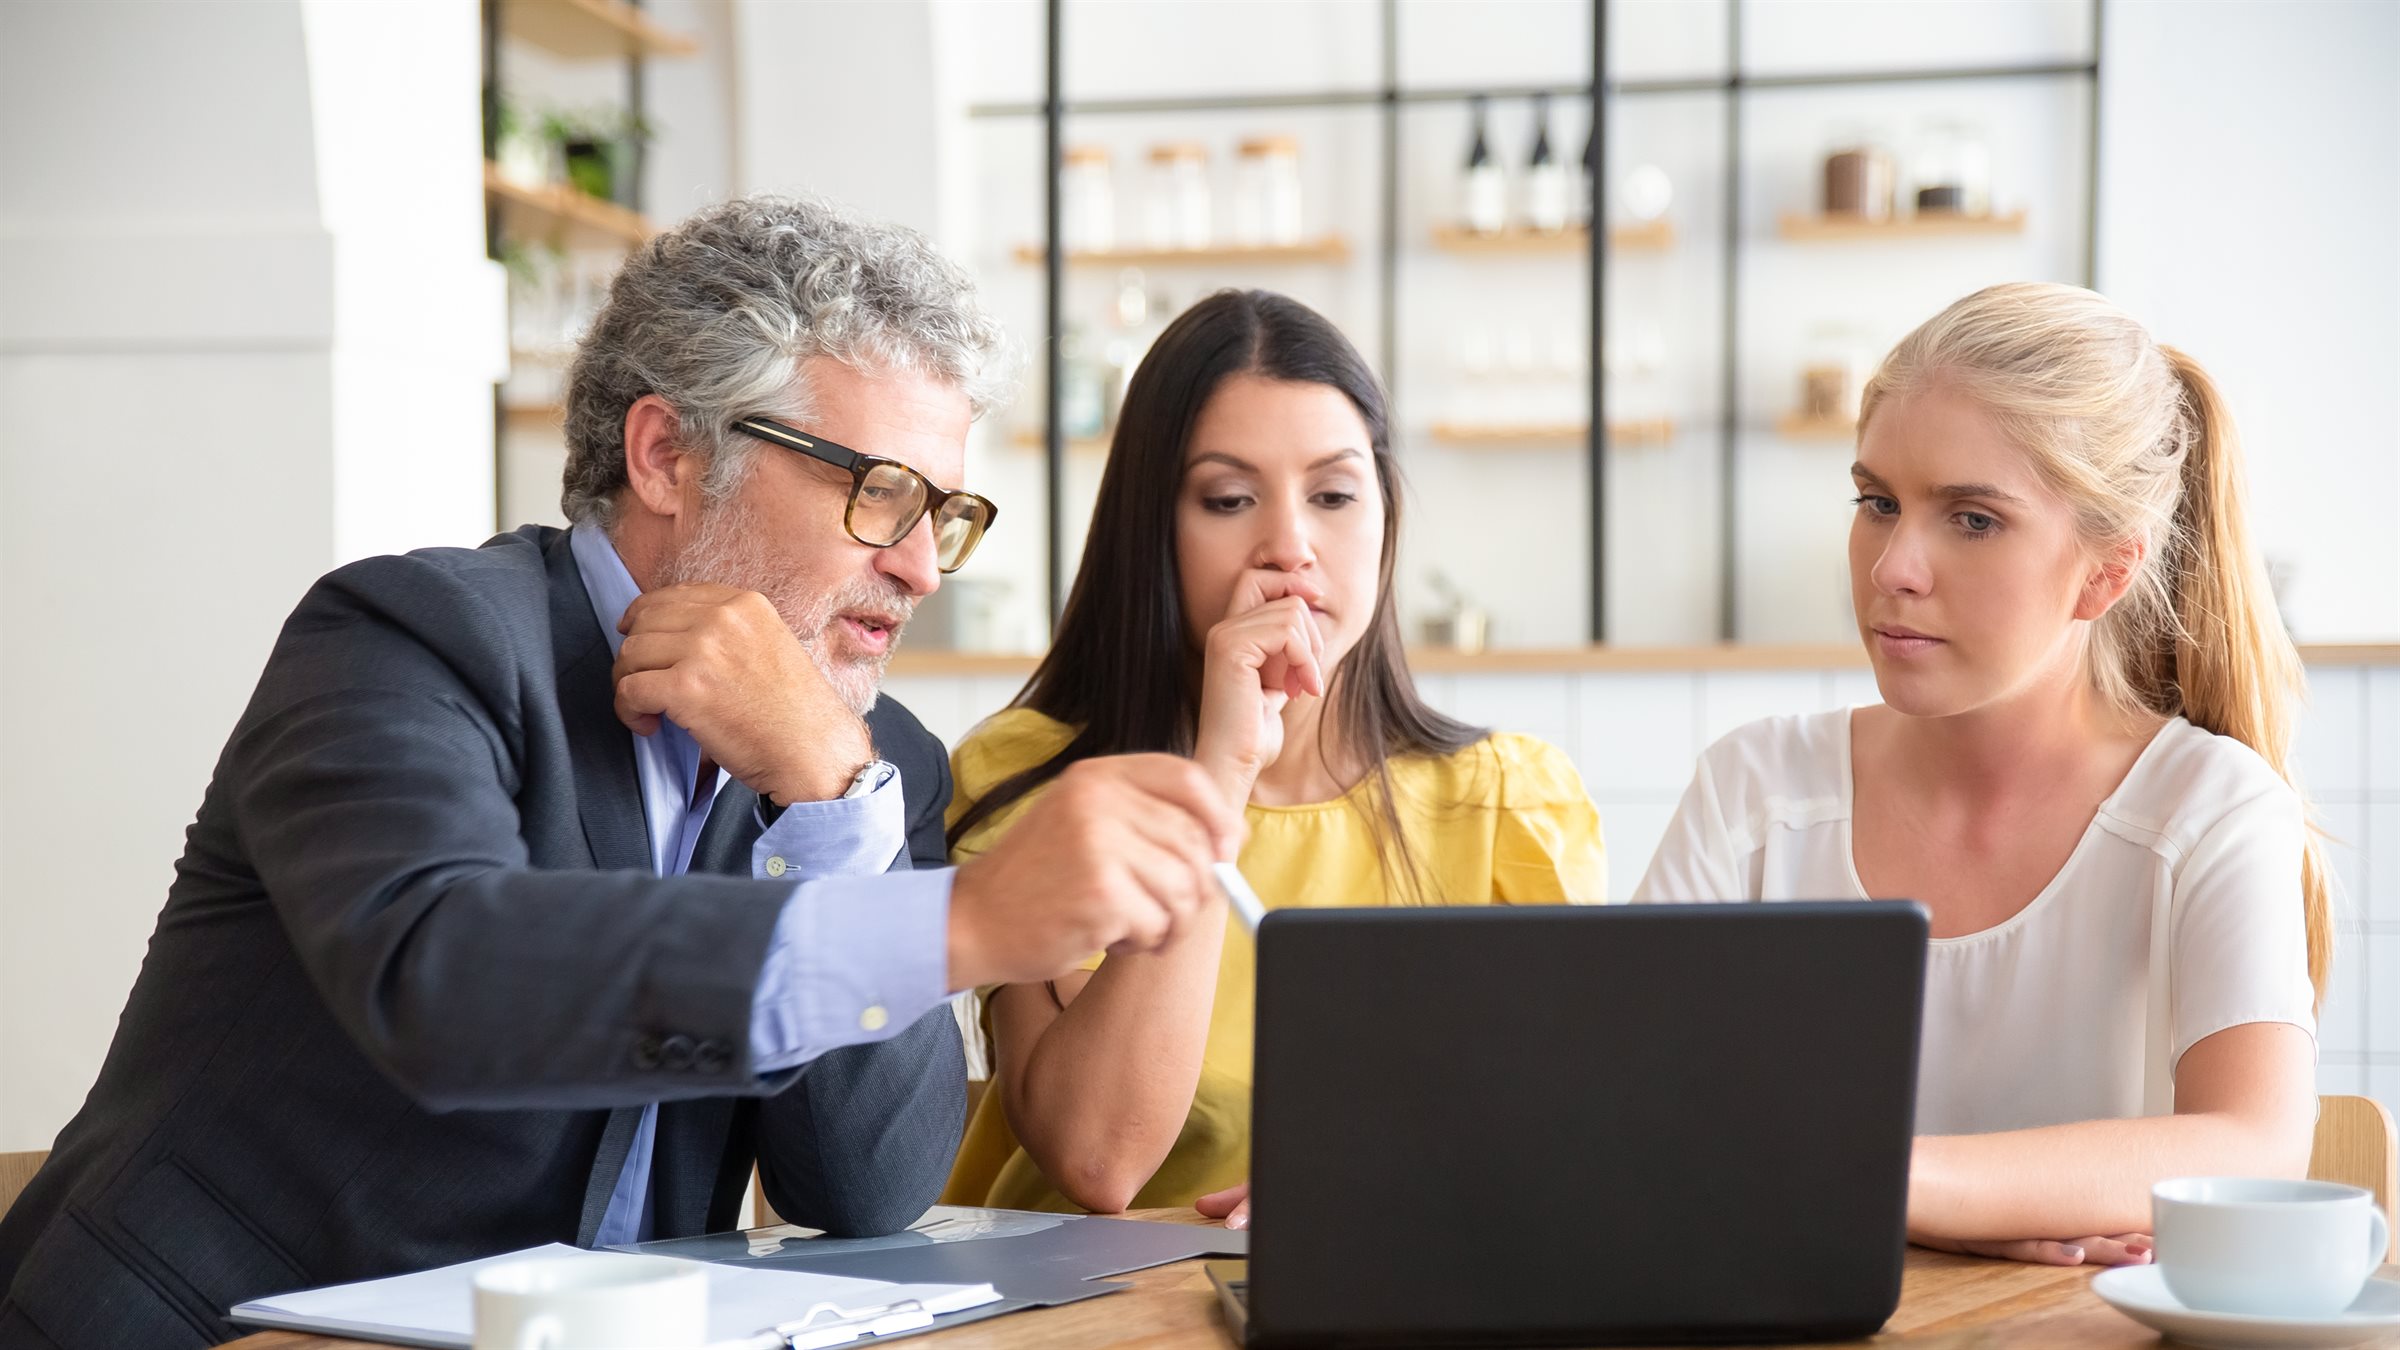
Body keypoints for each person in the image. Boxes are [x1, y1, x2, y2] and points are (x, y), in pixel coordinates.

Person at [0, 196, 1242, 1349]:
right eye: (880, 493)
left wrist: (833, 800)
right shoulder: (412, 633)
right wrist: (957, 924)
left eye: (945, 514)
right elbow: (441, 977)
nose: (922, 567)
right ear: (665, 454)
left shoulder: (871, 763)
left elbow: (866, 1185)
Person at [1636, 282, 2326, 1267]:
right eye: (1877, 503)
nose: (1892, 569)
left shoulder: (2209, 809)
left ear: (2105, 571)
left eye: (1971, 520)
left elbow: (2253, 1152)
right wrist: (1990, 1205)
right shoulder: (1753, 790)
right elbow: (1637, 1132)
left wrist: (1885, 1184)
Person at [937, 290, 1607, 1227]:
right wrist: (1224, 767)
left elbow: (1574, 1134)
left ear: (1384, 521)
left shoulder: (1507, 801)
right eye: (1229, 500)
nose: (1291, 546)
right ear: (1154, 532)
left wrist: (1397, 1184)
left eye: (1334, 495)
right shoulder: (1041, 779)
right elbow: (1098, 1157)